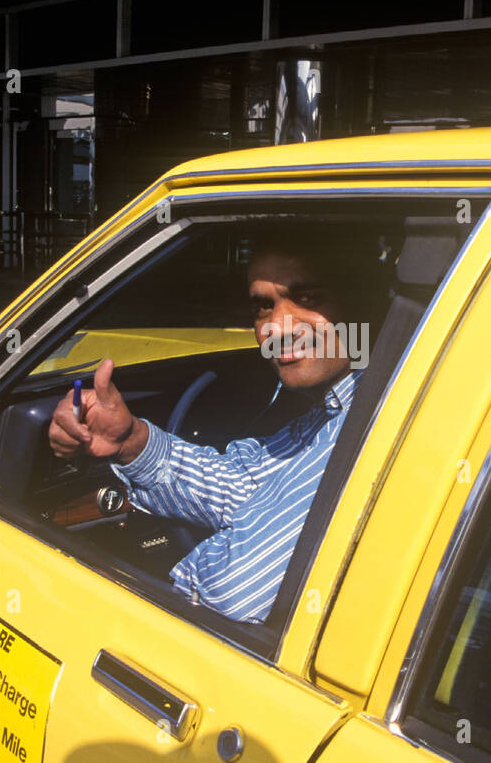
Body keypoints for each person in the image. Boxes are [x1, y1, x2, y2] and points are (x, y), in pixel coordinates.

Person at [48, 234, 384, 624]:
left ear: (363, 305)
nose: (277, 328)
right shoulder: (336, 407)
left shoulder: (376, 421)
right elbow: (242, 483)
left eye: (308, 299)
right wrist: (131, 442)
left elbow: (231, 600)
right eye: (262, 307)